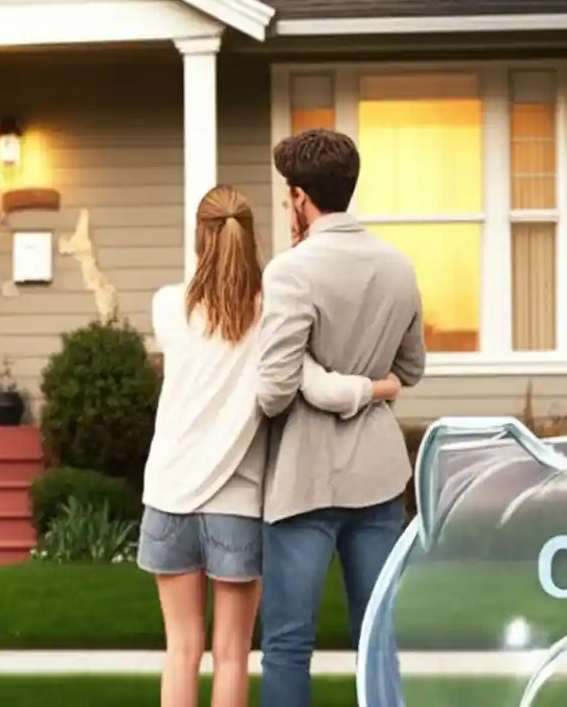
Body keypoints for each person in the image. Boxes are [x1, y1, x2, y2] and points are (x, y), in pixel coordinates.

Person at [138, 185, 402, 707]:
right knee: (232, 653)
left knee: (181, 649)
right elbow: (307, 380)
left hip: (167, 497)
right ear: (252, 238)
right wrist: (381, 387)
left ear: (198, 238)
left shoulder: (167, 306)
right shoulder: (270, 315)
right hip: (234, 504)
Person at [257, 129, 427, 707]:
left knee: (286, 644)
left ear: (301, 198)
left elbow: (273, 391)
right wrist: (367, 385)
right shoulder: (399, 266)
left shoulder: (289, 271)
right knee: (377, 638)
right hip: (379, 477)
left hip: (305, 479)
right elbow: (411, 368)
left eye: (288, 197)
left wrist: (311, 372)